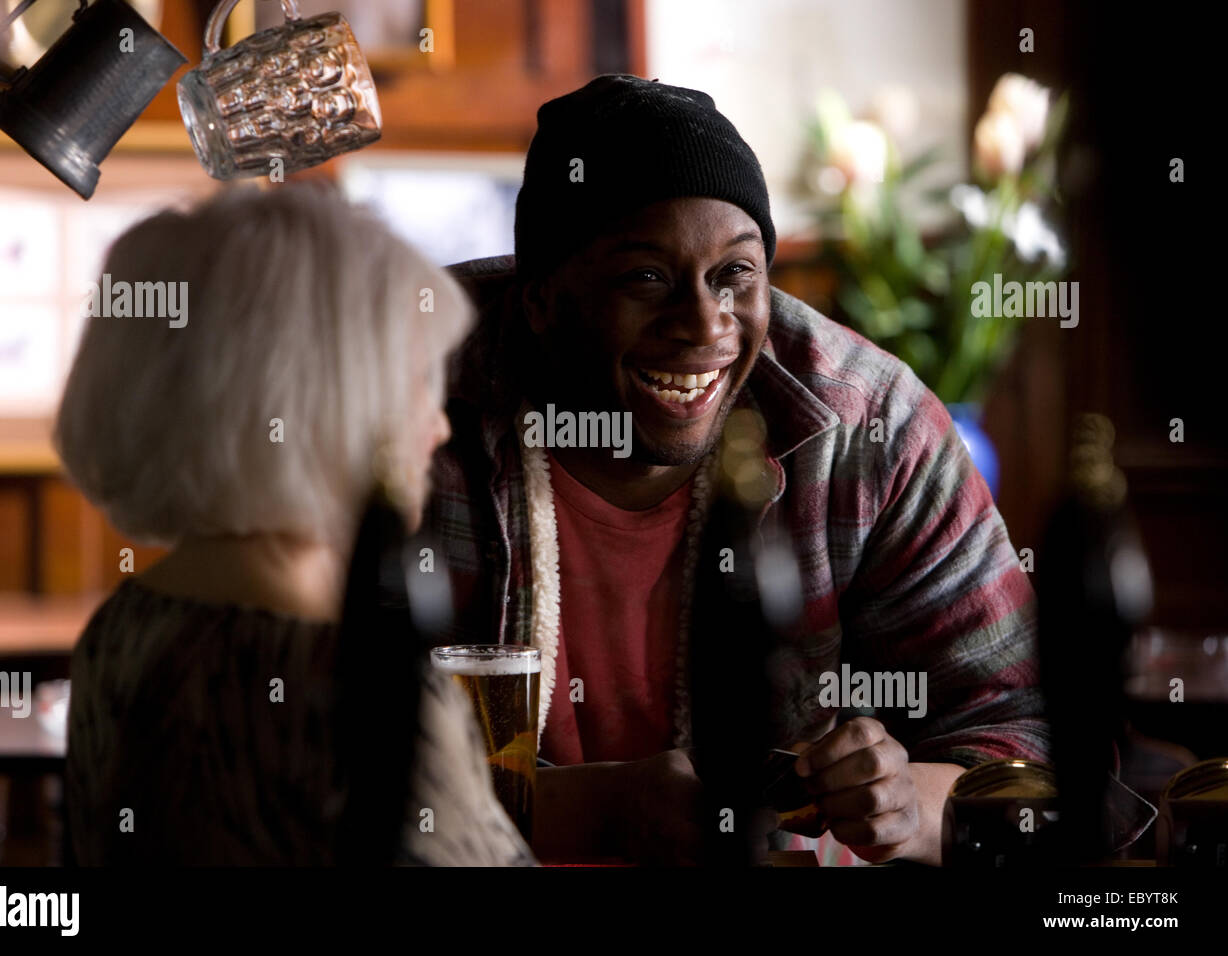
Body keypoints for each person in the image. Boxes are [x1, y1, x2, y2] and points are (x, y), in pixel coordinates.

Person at [424, 75, 1050, 866]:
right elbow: (288, 746)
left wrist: (912, 804)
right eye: (645, 277)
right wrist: (581, 814)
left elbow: (1032, 733)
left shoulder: (867, 425)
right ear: (542, 299)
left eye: (736, 275)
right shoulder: (406, 401)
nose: (704, 323)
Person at [57, 183, 532, 866]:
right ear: (322, 407)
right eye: (414, 386)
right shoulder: (364, 686)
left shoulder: (123, 626)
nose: (438, 426)